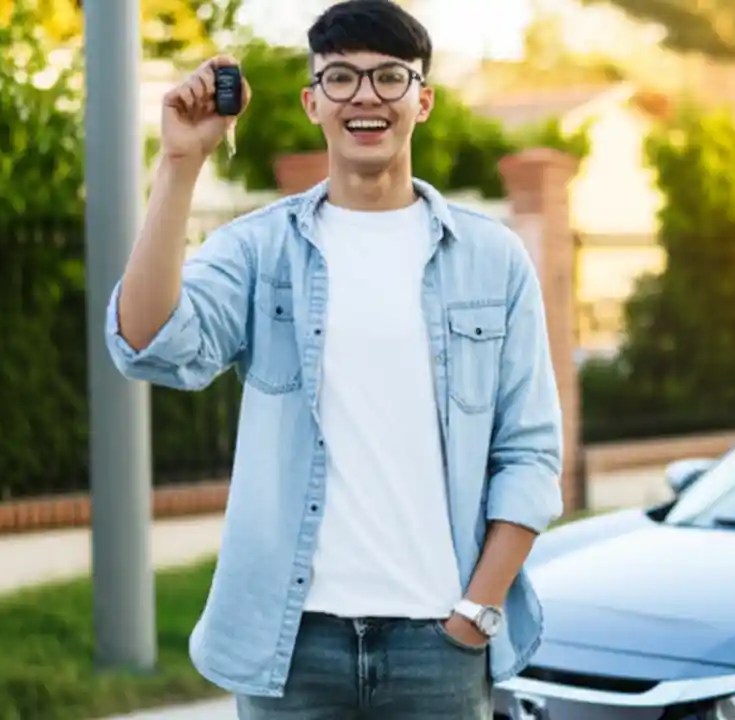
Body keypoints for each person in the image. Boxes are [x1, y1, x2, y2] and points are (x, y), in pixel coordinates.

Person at [103, 0, 564, 716]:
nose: (366, 97)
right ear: (313, 102)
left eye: (389, 77)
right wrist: (178, 163)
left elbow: (530, 453)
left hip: (436, 647)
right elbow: (149, 344)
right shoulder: (261, 250)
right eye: (342, 78)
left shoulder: (492, 260)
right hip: (292, 651)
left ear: (424, 99)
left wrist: (476, 612)